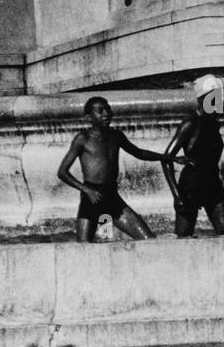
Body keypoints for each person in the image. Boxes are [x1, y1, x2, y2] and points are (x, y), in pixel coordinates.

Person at [58, 96, 182, 243]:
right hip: (91, 198)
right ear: (89, 117)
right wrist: (86, 190)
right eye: (100, 111)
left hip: (112, 197)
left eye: (108, 109)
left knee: (148, 240)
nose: (106, 114)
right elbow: (62, 172)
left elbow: (139, 153)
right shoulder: (82, 138)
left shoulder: (116, 135)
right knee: (84, 249)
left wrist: (168, 158)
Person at [162, 75, 224, 238]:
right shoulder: (190, 123)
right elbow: (166, 159)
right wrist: (177, 195)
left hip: (213, 185)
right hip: (190, 189)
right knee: (183, 239)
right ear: (201, 99)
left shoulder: (214, 123)